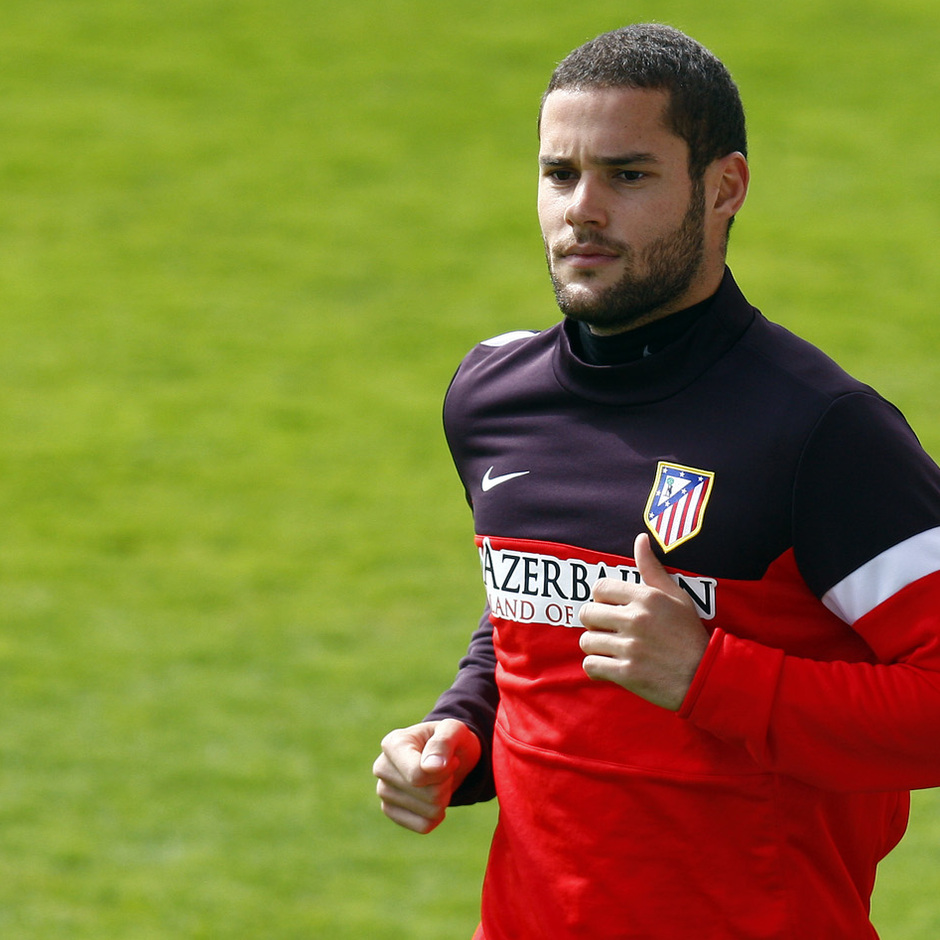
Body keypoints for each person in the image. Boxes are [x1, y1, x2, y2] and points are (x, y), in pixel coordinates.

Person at [372, 23, 940, 940]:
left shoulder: (822, 433)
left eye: (627, 175)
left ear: (724, 189)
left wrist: (713, 676)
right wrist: (459, 732)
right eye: (561, 175)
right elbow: (531, 621)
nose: (582, 210)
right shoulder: (491, 397)